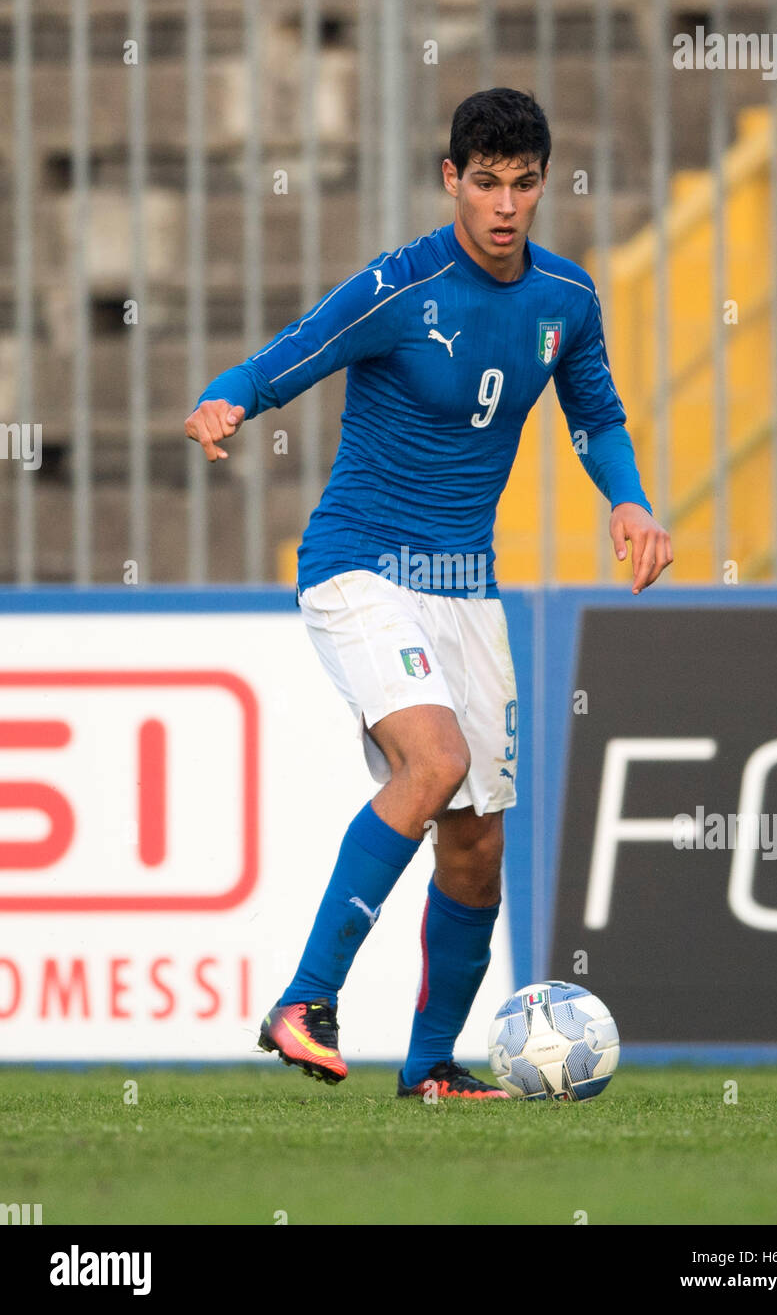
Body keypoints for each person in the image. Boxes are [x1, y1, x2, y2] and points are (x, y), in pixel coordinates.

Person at [184, 88, 672, 1100]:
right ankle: (304, 1000)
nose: (504, 205)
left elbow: (597, 413)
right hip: (358, 565)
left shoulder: (565, 300)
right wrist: (231, 393)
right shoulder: (401, 286)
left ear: (544, 183)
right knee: (434, 759)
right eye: (484, 183)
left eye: (524, 184)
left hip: (465, 591)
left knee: (476, 849)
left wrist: (627, 502)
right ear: (451, 179)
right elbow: (295, 351)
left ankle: (429, 1069)